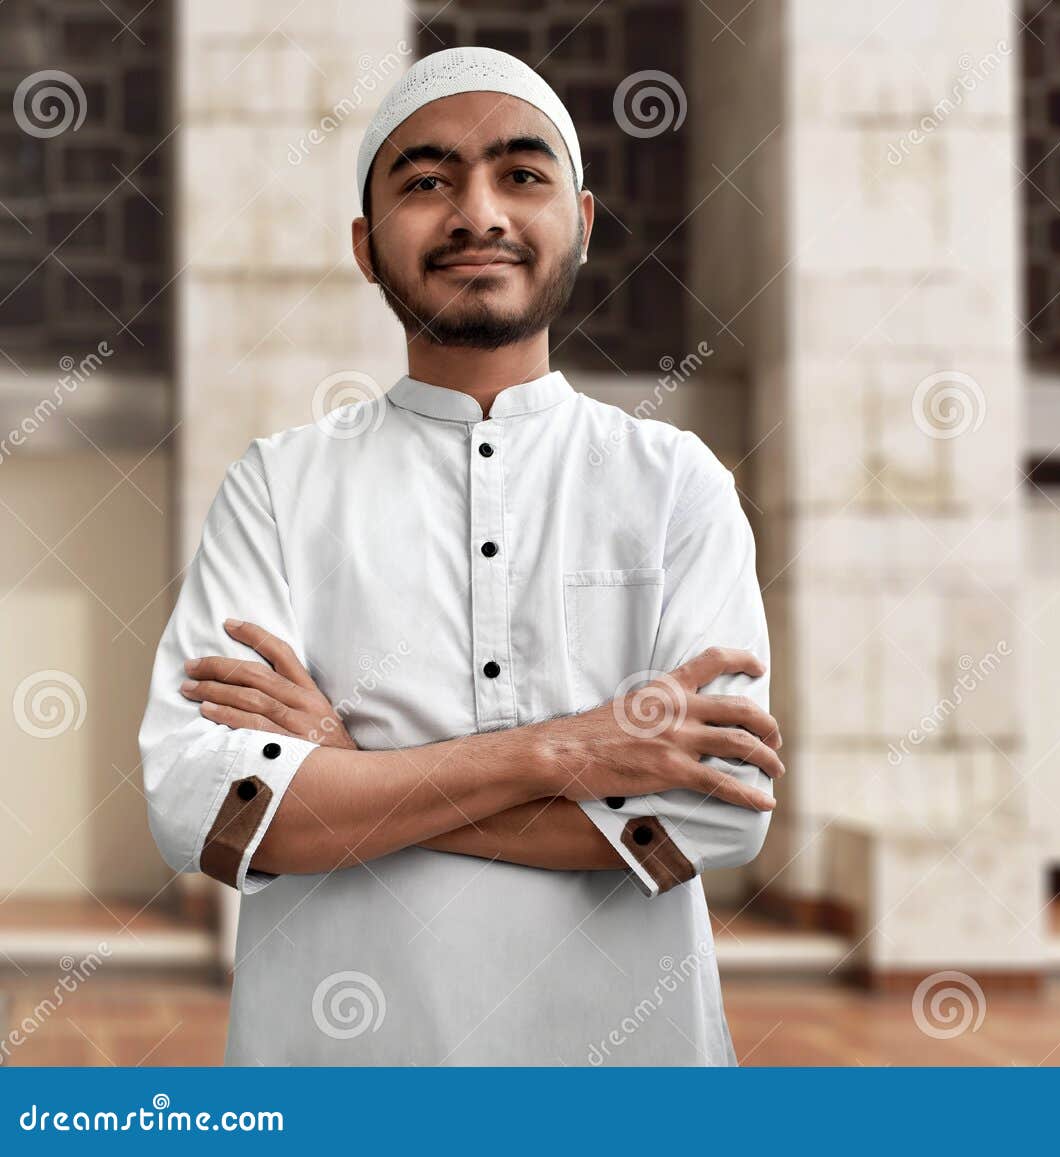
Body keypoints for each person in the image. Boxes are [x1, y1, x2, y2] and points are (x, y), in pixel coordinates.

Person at [137, 46, 783, 1065]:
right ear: (366, 242)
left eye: (520, 175)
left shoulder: (675, 484)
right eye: (427, 181)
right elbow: (204, 807)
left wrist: (351, 776)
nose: (476, 212)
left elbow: (711, 817)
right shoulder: (278, 485)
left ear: (579, 218)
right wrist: (557, 752)